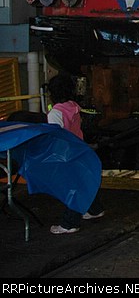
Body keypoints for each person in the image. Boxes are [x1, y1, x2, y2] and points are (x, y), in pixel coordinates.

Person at [45, 73, 105, 235]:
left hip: (67, 155)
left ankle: (69, 223)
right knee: (84, 182)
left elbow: (57, 136)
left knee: (72, 188)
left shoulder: (56, 113)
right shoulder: (73, 106)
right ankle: (94, 209)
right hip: (80, 149)